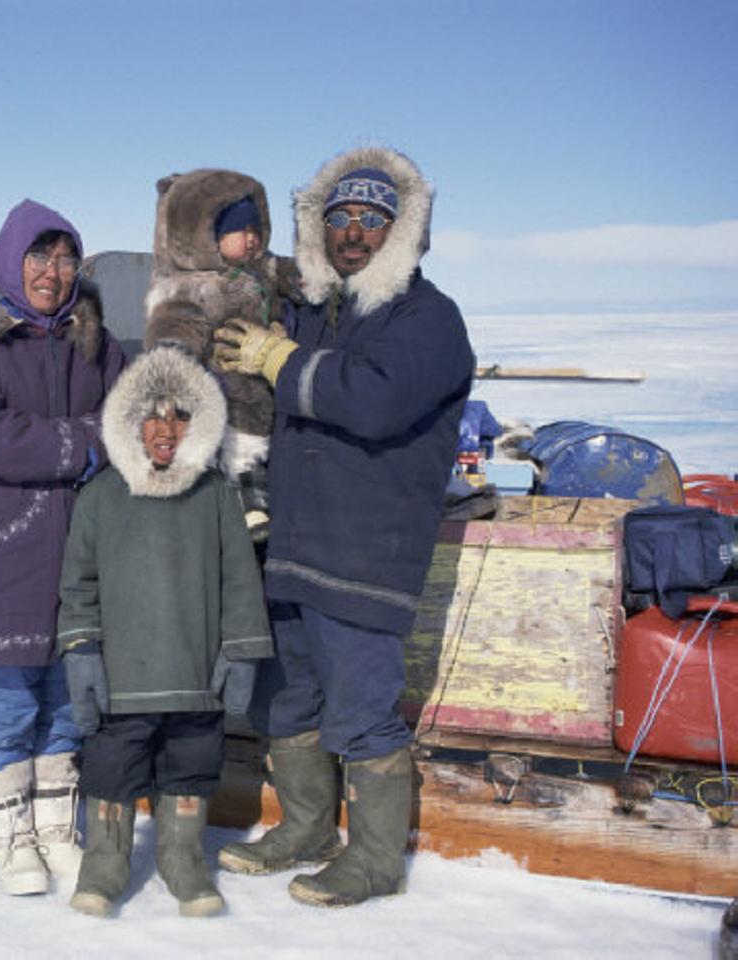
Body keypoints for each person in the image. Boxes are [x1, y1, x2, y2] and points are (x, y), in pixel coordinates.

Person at [211, 147, 475, 907]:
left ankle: (376, 859)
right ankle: (304, 829)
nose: (353, 232)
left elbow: (374, 399)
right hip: (291, 543)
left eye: (371, 219)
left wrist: (281, 360)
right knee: (284, 698)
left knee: (361, 707)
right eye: (340, 219)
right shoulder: (312, 310)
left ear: (403, 232)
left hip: (366, 550)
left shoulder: (428, 319)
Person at [0, 199, 126, 896]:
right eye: (39, 256)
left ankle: (53, 826)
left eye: (65, 257)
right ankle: (8, 831)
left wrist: (89, 435)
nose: (52, 271)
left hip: (76, 551)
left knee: (66, 698)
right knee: (1, 700)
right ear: (10, 262)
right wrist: (80, 443)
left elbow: (127, 417)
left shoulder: (95, 343)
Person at [56, 345, 272, 918]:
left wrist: (243, 650)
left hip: (196, 676)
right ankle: (105, 863)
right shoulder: (99, 496)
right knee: (112, 768)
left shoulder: (216, 497)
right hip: (122, 681)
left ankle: (183, 860)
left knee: (191, 765)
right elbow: (78, 582)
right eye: (152, 414)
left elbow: (240, 580)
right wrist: (81, 651)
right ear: (129, 423)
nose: (166, 428)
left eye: (180, 415)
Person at [144, 169, 301, 540]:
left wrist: (307, 280)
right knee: (236, 442)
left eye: (254, 231)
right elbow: (177, 318)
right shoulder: (197, 285)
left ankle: (259, 494)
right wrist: (174, 349)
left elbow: (293, 276)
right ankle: (245, 503)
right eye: (239, 232)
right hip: (227, 380)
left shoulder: (264, 269)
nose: (250, 240)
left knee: (261, 438)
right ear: (210, 236)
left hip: (266, 380)